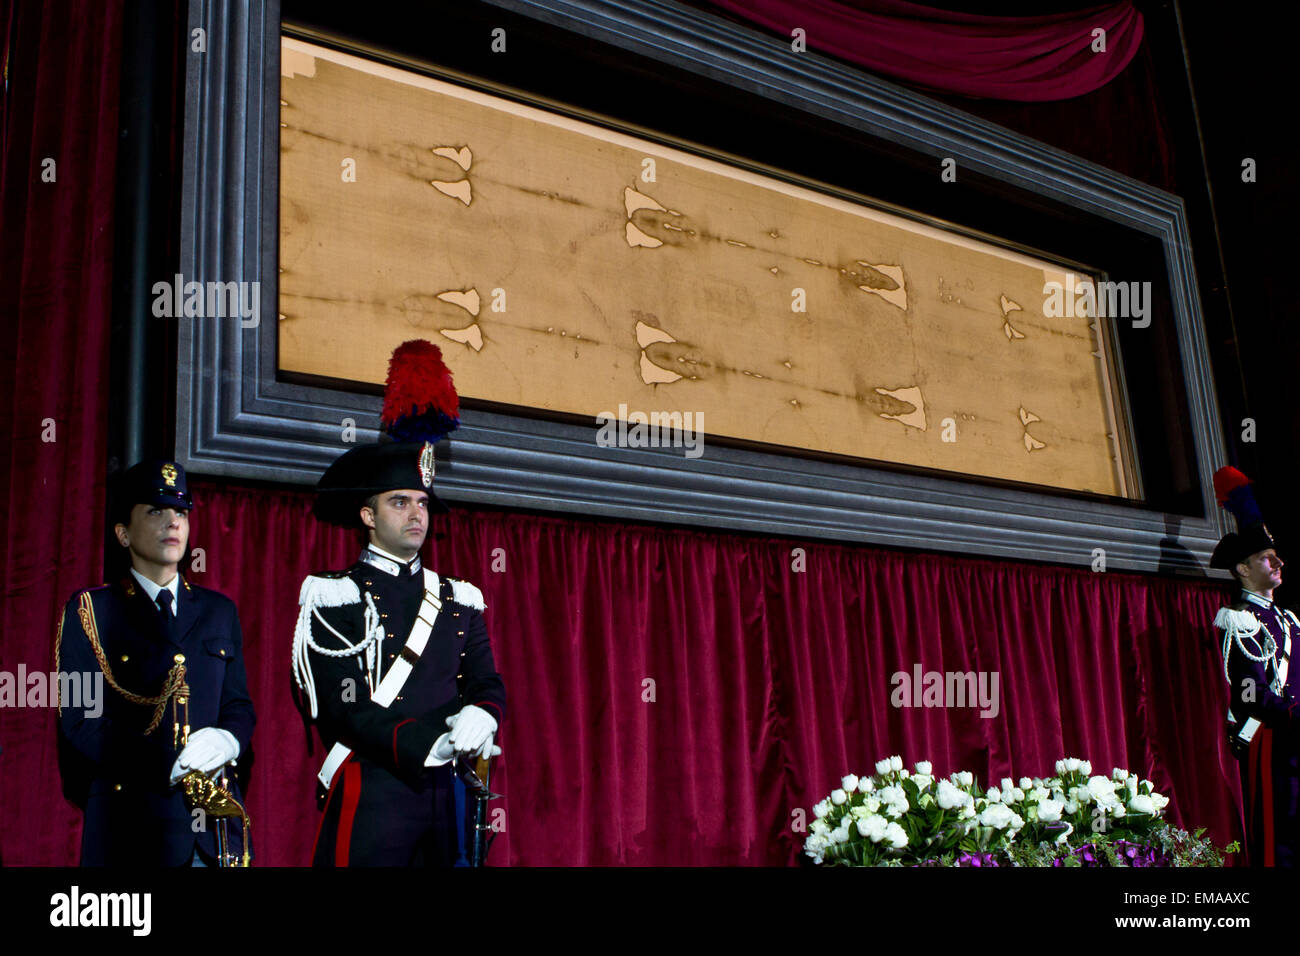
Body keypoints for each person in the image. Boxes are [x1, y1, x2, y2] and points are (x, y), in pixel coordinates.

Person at [292, 340, 506, 866]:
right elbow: (341, 706)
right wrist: (421, 745)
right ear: (368, 516)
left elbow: (486, 681)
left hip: (447, 799)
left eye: (422, 502)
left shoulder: (460, 599)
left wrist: (484, 712)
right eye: (399, 501)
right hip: (375, 791)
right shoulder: (335, 594)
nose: (416, 514)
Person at [56, 460, 256, 866]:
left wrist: (229, 740)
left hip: (209, 834)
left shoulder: (219, 611)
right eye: (155, 511)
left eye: (181, 512)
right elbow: (81, 721)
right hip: (128, 829)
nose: (173, 523)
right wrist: (171, 766)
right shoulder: (90, 611)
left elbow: (237, 704)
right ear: (123, 533)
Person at [1210, 466, 1297, 866]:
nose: (1277, 562)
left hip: (1294, 734)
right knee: (1282, 833)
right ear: (1243, 569)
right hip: (1272, 741)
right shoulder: (1239, 619)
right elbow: (1250, 693)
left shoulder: (1289, 620)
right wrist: (1292, 714)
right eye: (1266, 557)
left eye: (1275, 555)